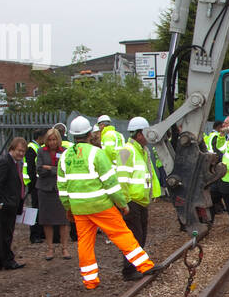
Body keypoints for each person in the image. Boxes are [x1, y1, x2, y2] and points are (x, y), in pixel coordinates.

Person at [58, 116, 154, 288]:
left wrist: (68, 208)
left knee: (85, 243)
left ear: (72, 136)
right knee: (122, 234)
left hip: (79, 207)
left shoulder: (65, 157)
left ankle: (90, 281)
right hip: (100, 205)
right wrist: (121, 204)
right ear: (89, 134)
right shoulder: (96, 153)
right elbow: (110, 183)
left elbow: (62, 187)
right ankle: (144, 265)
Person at [116, 116, 161, 280]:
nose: (149, 136)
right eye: (147, 133)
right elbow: (121, 178)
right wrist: (124, 202)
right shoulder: (126, 151)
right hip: (131, 202)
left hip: (140, 201)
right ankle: (129, 270)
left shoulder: (143, 151)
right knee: (134, 236)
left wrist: (153, 194)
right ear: (139, 134)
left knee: (141, 235)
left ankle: (140, 265)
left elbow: (149, 174)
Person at [0, 137, 27, 270]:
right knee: (6, 233)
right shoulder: (5, 162)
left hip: (11, 203)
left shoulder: (15, 163)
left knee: (4, 232)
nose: (21, 154)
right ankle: (7, 260)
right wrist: (2, 203)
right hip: (5, 204)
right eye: (19, 150)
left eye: (23, 151)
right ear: (12, 149)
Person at [34, 127, 69, 260]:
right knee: (47, 220)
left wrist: (49, 168)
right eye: (50, 140)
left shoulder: (64, 152)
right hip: (45, 190)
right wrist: (53, 169)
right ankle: (50, 248)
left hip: (60, 190)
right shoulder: (41, 151)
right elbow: (39, 170)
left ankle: (64, 248)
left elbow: (63, 170)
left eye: (54, 139)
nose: (52, 142)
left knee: (63, 220)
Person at [25, 128, 46, 244]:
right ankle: (34, 235)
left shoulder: (37, 147)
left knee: (39, 208)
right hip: (33, 183)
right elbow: (30, 168)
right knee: (34, 209)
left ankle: (40, 232)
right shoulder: (31, 148)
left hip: (36, 183)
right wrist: (34, 183)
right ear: (40, 137)